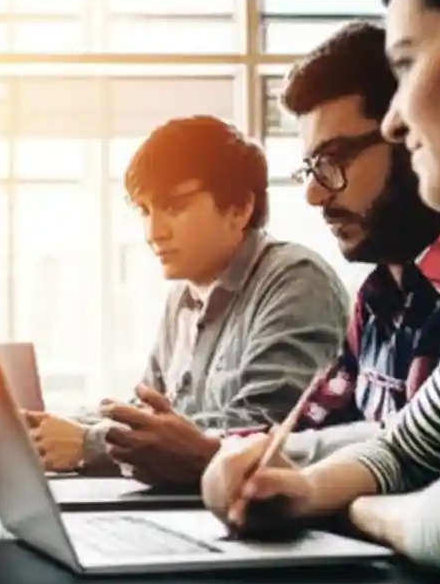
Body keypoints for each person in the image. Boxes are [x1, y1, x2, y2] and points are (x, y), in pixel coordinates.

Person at [203, 0, 440, 584]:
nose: (396, 121)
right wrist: (299, 490)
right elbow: (406, 448)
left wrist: (356, 510)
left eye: (408, 63)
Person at [28, 115, 350, 487]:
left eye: (173, 207)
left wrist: (90, 443)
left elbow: (263, 431)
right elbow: (148, 414)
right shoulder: (182, 296)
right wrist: (47, 428)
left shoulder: (296, 282)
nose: (153, 233)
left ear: (239, 209)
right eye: (145, 211)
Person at [275, 21, 440, 464]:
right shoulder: (380, 293)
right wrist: (217, 453)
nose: (314, 194)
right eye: (311, 167)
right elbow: (308, 433)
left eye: (334, 159)